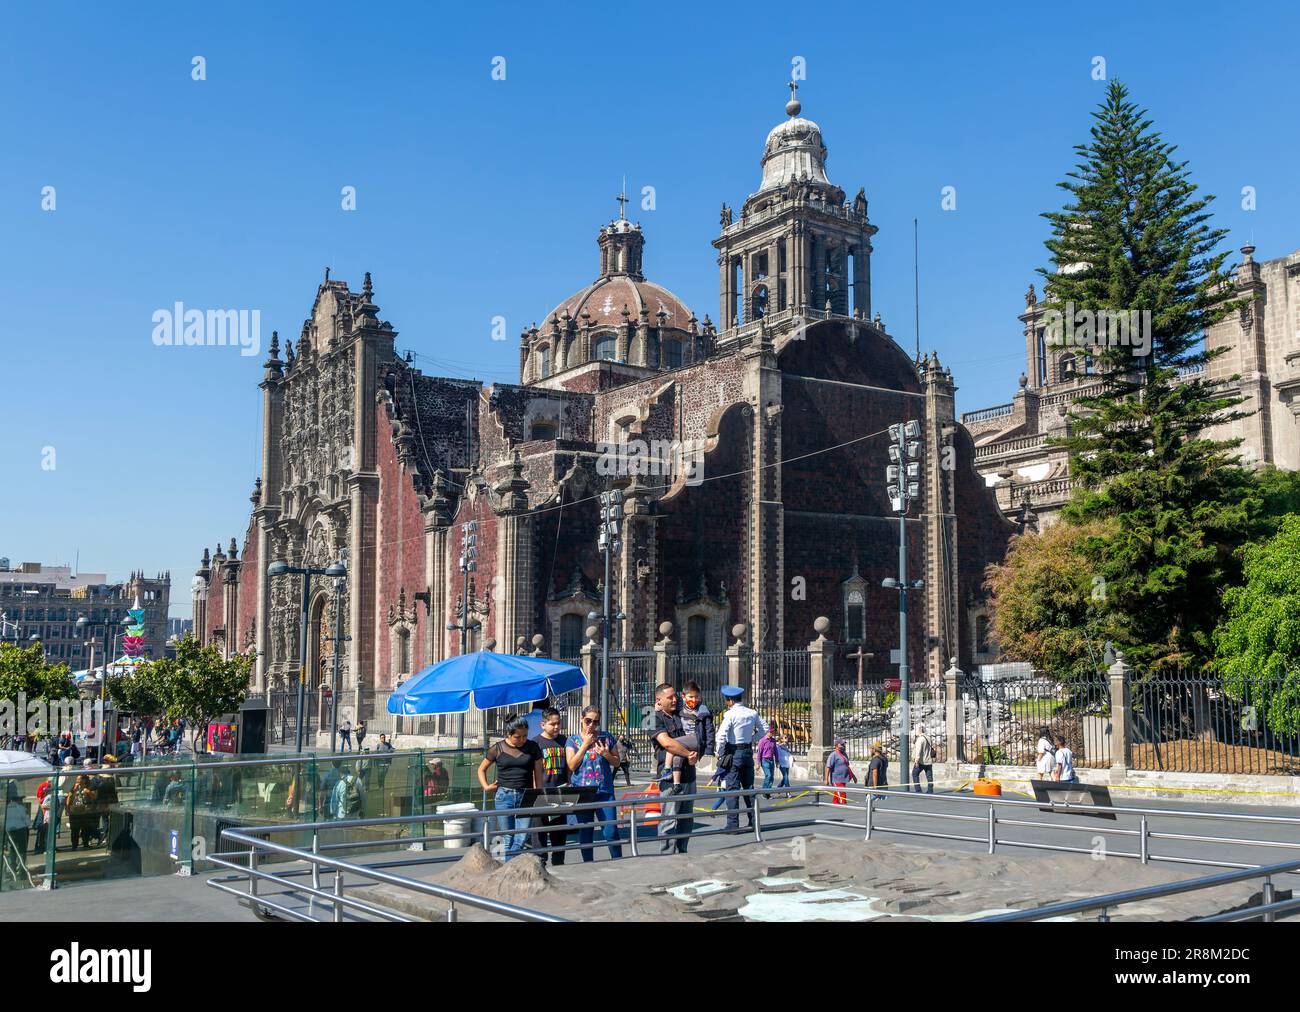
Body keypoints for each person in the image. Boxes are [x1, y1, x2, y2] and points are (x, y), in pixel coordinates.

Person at [477, 715, 543, 861]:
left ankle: (508, 866)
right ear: (509, 734)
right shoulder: (497, 748)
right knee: (508, 836)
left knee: (522, 836)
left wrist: (539, 794)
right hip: (503, 796)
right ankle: (509, 868)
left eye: (525, 736)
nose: (522, 740)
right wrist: (486, 787)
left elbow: (538, 773)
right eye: (517, 737)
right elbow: (481, 769)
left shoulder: (533, 747)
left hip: (526, 795)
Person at [565, 706, 623, 862]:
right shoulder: (572, 740)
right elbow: (571, 765)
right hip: (583, 793)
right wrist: (585, 745)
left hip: (604, 792)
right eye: (588, 721)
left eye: (595, 722)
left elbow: (617, 762)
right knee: (585, 832)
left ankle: (618, 861)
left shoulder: (607, 737)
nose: (591, 725)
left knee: (610, 831)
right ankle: (587, 864)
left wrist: (606, 754)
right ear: (581, 720)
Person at [651, 684, 699, 854]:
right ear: (659, 700)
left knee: (687, 820)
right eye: (670, 697)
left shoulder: (680, 713)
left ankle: (683, 854)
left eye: (675, 696)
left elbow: (694, 700)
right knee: (669, 822)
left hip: (689, 775)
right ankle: (667, 857)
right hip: (670, 779)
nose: (674, 700)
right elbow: (667, 743)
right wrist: (688, 754)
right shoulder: (651, 717)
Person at [715, 684, 767, 831]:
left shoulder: (730, 714)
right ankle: (754, 821)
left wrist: (719, 752)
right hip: (747, 752)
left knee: (732, 789)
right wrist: (752, 738)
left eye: (727, 700)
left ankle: (733, 825)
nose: (726, 703)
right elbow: (765, 729)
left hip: (734, 751)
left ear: (730, 700)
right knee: (749, 787)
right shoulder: (752, 713)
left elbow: (721, 736)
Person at [531, 708, 571, 865]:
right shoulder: (535, 743)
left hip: (560, 792)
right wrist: (536, 791)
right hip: (542, 794)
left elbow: (568, 764)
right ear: (542, 724)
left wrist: (568, 781)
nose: (556, 727)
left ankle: (559, 863)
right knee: (539, 832)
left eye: (558, 723)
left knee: (559, 832)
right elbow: (533, 771)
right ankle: (540, 863)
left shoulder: (563, 740)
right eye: (552, 724)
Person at [824, 739, 855, 804]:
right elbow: (828, 767)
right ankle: (844, 807)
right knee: (842, 795)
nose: (843, 746)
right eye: (842, 744)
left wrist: (853, 776)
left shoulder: (844, 754)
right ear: (836, 745)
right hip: (836, 779)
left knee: (837, 796)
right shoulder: (833, 755)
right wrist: (826, 779)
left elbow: (847, 766)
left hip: (843, 779)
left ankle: (835, 806)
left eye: (844, 744)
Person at [911, 725, 935, 794]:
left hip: (921, 761)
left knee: (914, 774)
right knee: (929, 776)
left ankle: (918, 790)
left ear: (919, 731)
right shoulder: (929, 738)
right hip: (929, 760)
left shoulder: (920, 739)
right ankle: (930, 790)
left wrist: (916, 761)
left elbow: (918, 750)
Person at [756, 727, 780, 796]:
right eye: (771, 732)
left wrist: (777, 761)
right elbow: (759, 752)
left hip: (771, 760)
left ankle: (767, 792)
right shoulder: (762, 741)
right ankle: (764, 792)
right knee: (768, 775)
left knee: (772, 777)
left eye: (773, 732)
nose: (772, 733)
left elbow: (775, 751)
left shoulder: (773, 740)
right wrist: (758, 763)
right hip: (764, 760)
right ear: (767, 732)